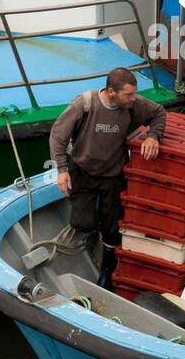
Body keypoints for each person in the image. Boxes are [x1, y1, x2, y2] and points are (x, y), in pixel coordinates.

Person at [49, 67, 166, 288]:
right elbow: (58, 135)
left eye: (134, 94)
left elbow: (159, 113)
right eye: (128, 95)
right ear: (111, 92)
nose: (133, 99)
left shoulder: (133, 105)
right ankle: (94, 225)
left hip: (113, 174)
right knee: (82, 223)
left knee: (113, 230)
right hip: (83, 171)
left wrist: (153, 136)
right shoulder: (84, 104)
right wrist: (62, 170)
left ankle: (107, 270)